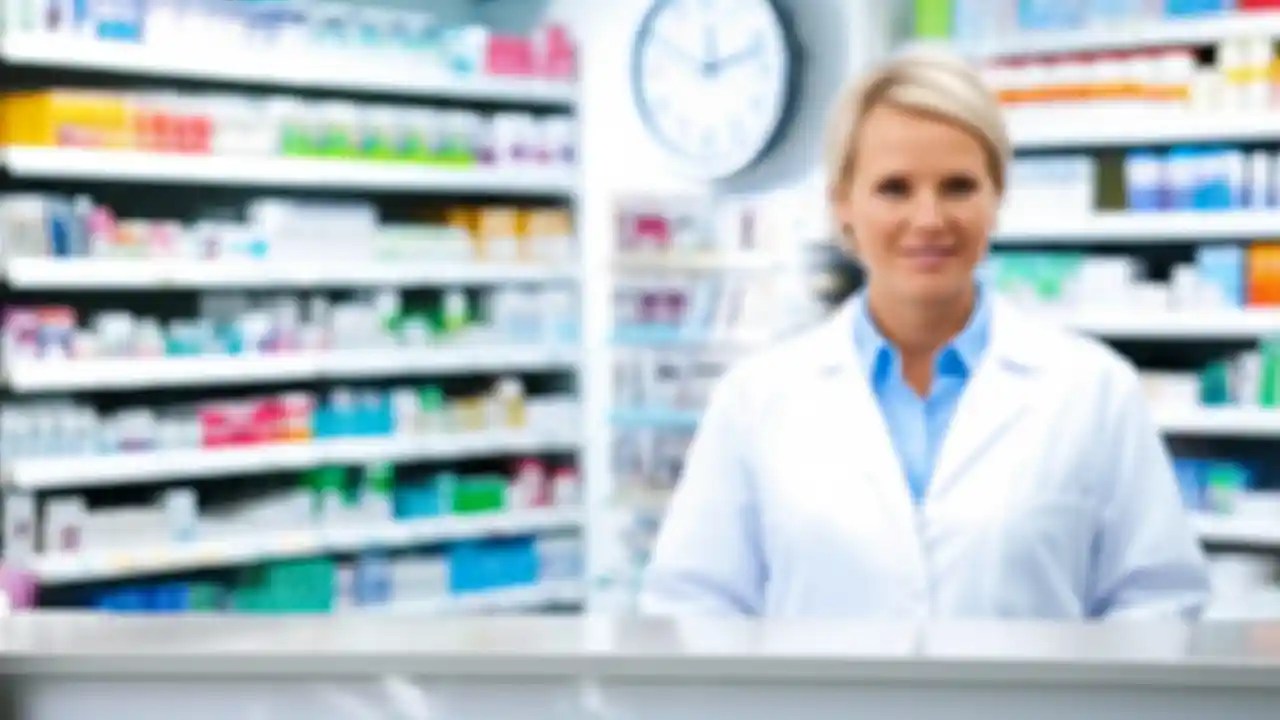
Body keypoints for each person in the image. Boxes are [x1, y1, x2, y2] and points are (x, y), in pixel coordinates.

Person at [639, 49, 1211, 619]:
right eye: (894, 188)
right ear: (842, 204)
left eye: (959, 187)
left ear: (996, 198)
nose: (930, 219)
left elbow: (1157, 604)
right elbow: (693, 610)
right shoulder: (757, 399)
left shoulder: (1093, 392)